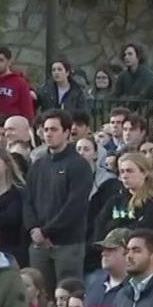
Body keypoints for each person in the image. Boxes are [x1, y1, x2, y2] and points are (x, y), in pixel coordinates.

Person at [24, 110, 92, 292]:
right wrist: (34, 229)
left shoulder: (79, 165)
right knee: (39, 295)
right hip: (38, 244)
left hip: (67, 245)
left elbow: (75, 206)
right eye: (45, 129)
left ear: (67, 132)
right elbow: (28, 200)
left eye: (54, 129)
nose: (48, 133)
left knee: (68, 295)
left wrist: (46, 231)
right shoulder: (38, 165)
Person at [96, 152, 153, 238]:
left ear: (144, 173)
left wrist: (115, 227)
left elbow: (148, 230)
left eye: (129, 171)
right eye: (122, 172)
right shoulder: (115, 200)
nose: (125, 176)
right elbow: (99, 227)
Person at [0, 47, 35, 121]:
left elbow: (27, 109)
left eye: (1, 60)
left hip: (13, 124)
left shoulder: (20, 82)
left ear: (9, 62)